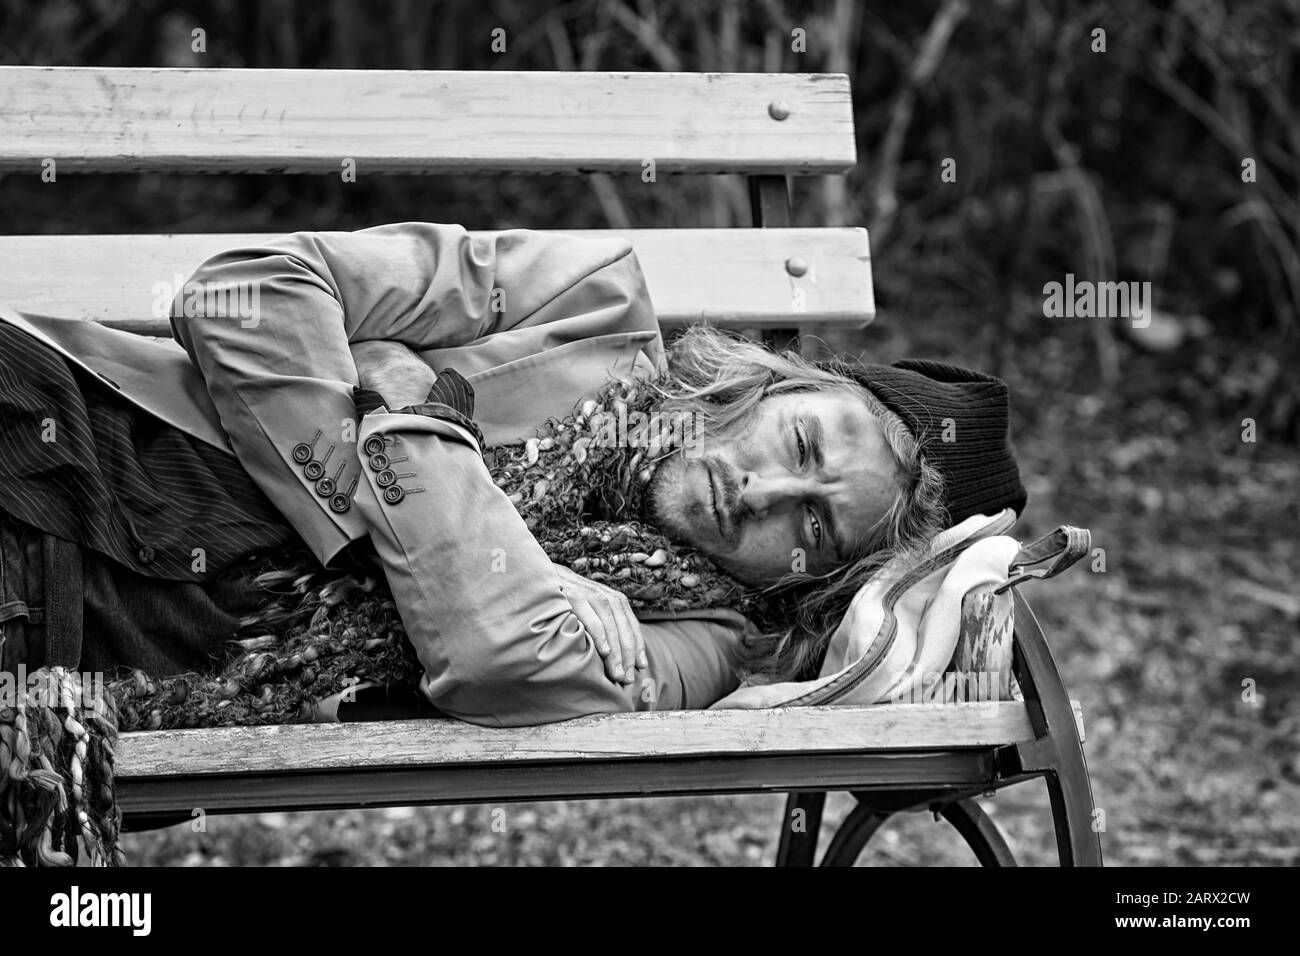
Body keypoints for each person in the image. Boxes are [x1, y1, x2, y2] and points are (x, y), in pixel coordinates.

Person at [0, 223, 1026, 727]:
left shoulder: (698, 645)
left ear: (814, 581)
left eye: (812, 528)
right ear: (769, 386)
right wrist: (385, 540)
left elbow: (497, 654)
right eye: (799, 447)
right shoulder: (586, 304)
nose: (760, 495)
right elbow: (251, 291)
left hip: (79, 649)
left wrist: (412, 412)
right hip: (69, 434)